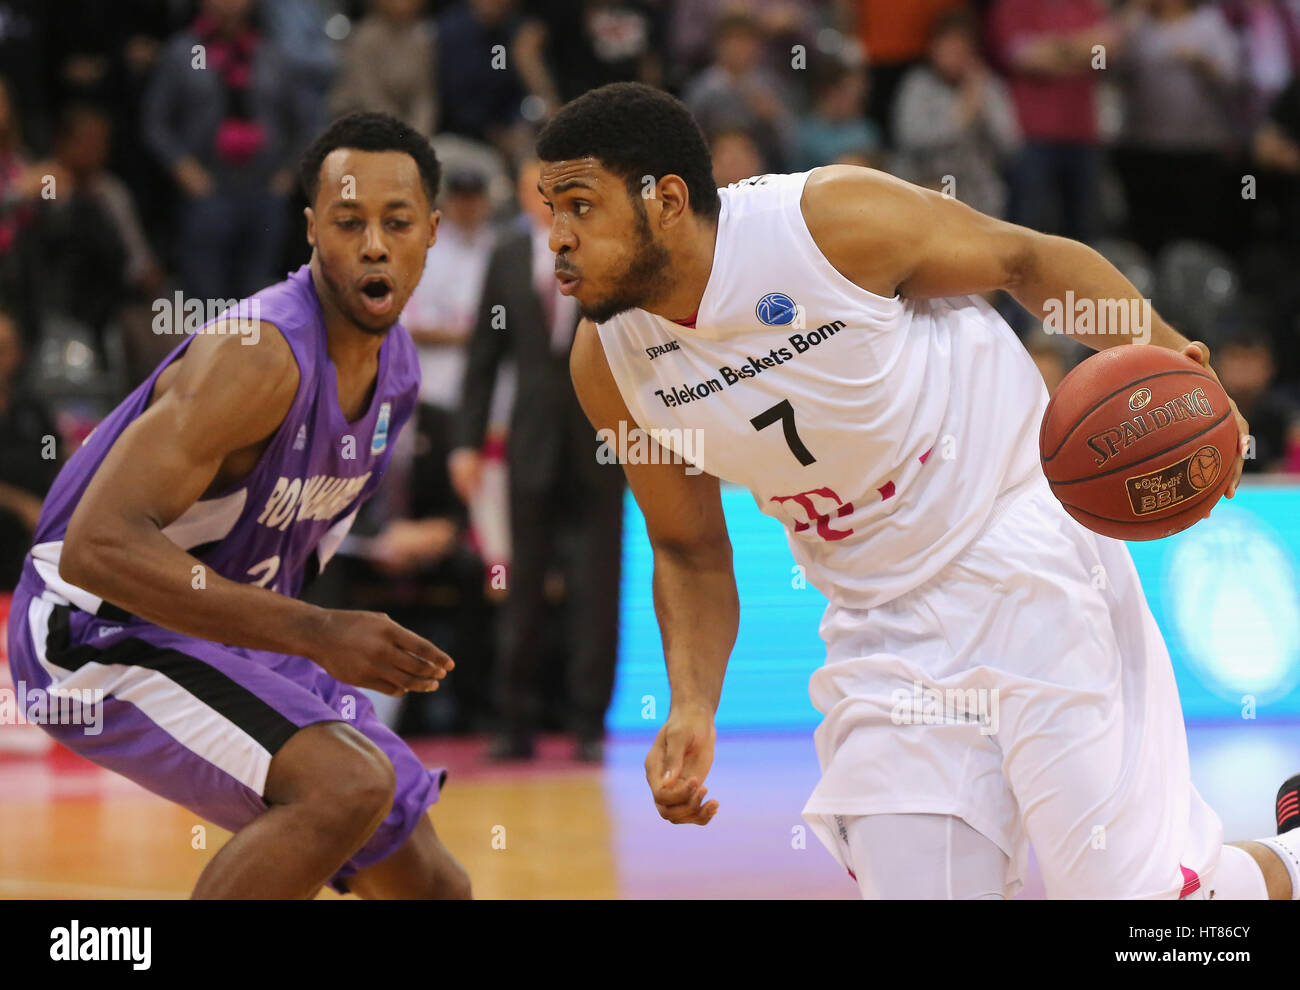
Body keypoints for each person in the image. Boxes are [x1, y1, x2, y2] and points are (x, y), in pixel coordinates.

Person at [544, 82, 1299, 900]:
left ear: (666, 200)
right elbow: (687, 546)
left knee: (1151, 916)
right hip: (880, 629)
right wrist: (693, 704)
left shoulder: (825, 223)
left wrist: (1178, 371)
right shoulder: (606, 365)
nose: (557, 237)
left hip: (1022, 553)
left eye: (580, 206)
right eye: (550, 208)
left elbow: (1030, 261)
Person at [5, 111, 470, 900]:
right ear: (311, 230)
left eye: (396, 222)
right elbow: (98, 546)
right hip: (89, 620)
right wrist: (320, 633)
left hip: (224, 629)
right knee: (342, 787)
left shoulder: (398, 374)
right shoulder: (257, 359)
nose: (373, 244)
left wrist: (304, 636)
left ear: (431, 230)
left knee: (428, 879)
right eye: (348, 221)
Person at [450, 158, 625, 762]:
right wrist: (465, 443)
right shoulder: (504, 255)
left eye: (559, 193)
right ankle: (513, 721)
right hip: (527, 441)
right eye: (537, 192)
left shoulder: (606, 249)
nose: (546, 203)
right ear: (522, 196)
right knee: (519, 584)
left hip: (603, 439)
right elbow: (481, 356)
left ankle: (589, 726)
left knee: (598, 586)